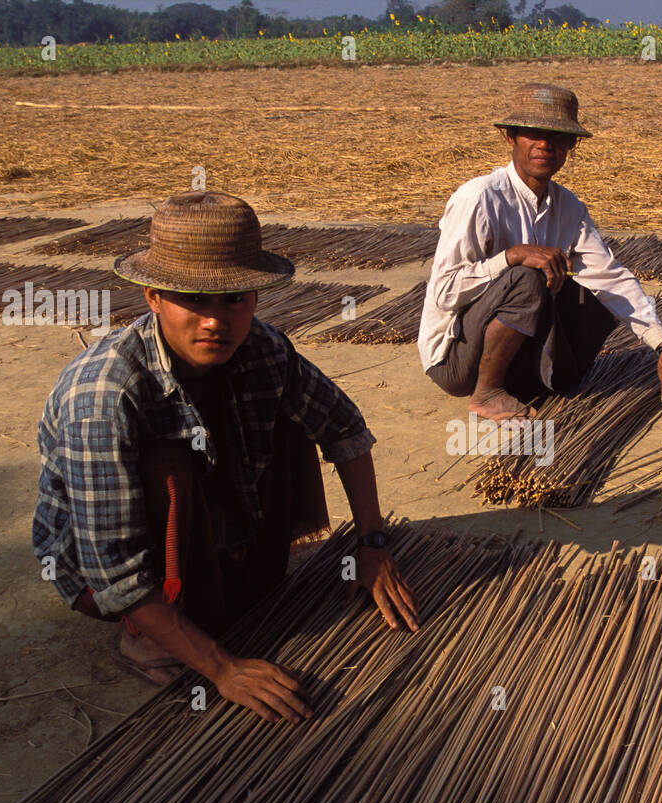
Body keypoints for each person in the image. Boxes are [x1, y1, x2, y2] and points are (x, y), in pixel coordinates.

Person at [33, 191, 419, 725]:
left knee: (291, 419)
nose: (217, 321)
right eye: (195, 299)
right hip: (112, 577)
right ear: (153, 298)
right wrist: (222, 668)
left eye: (235, 298)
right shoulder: (102, 398)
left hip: (216, 525)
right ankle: (146, 636)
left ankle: (241, 573)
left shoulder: (264, 349)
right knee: (165, 466)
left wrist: (373, 543)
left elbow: (345, 430)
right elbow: (113, 571)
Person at [419, 82, 662, 421]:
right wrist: (511, 257)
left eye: (558, 137)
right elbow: (444, 292)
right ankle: (486, 393)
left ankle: (541, 378)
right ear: (511, 137)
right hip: (454, 358)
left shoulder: (568, 207)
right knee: (526, 279)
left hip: (506, 349)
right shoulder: (479, 198)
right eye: (533, 133)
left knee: (592, 298)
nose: (545, 144)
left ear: (570, 146)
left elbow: (610, 277)